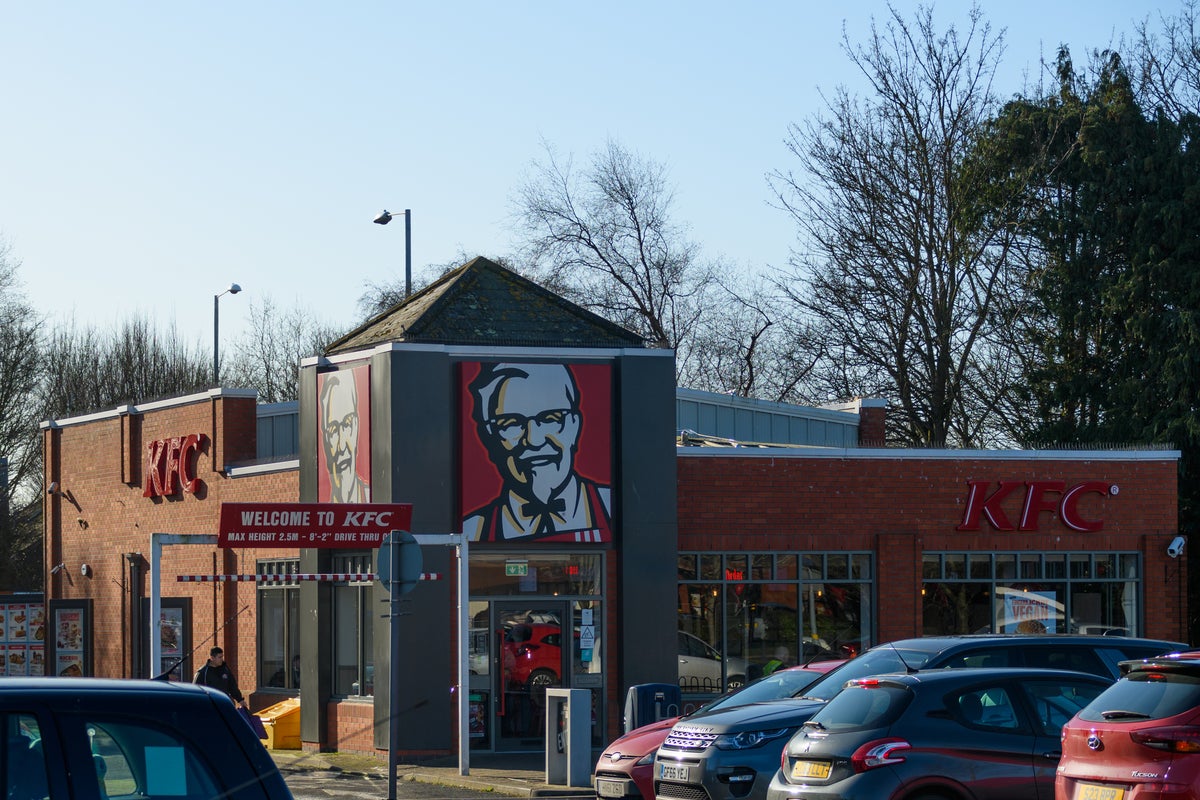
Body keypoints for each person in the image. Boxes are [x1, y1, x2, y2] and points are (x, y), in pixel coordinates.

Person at [464, 363, 612, 542]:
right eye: (511, 423)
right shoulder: (472, 531)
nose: (534, 440)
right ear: (489, 437)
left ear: (575, 426)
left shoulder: (614, 508)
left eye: (551, 418)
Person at [319, 369, 370, 502]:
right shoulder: (321, 513)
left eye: (347, 424)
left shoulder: (373, 500)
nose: (342, 447)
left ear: (356, 426)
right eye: (333, 429)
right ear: (325, 440)